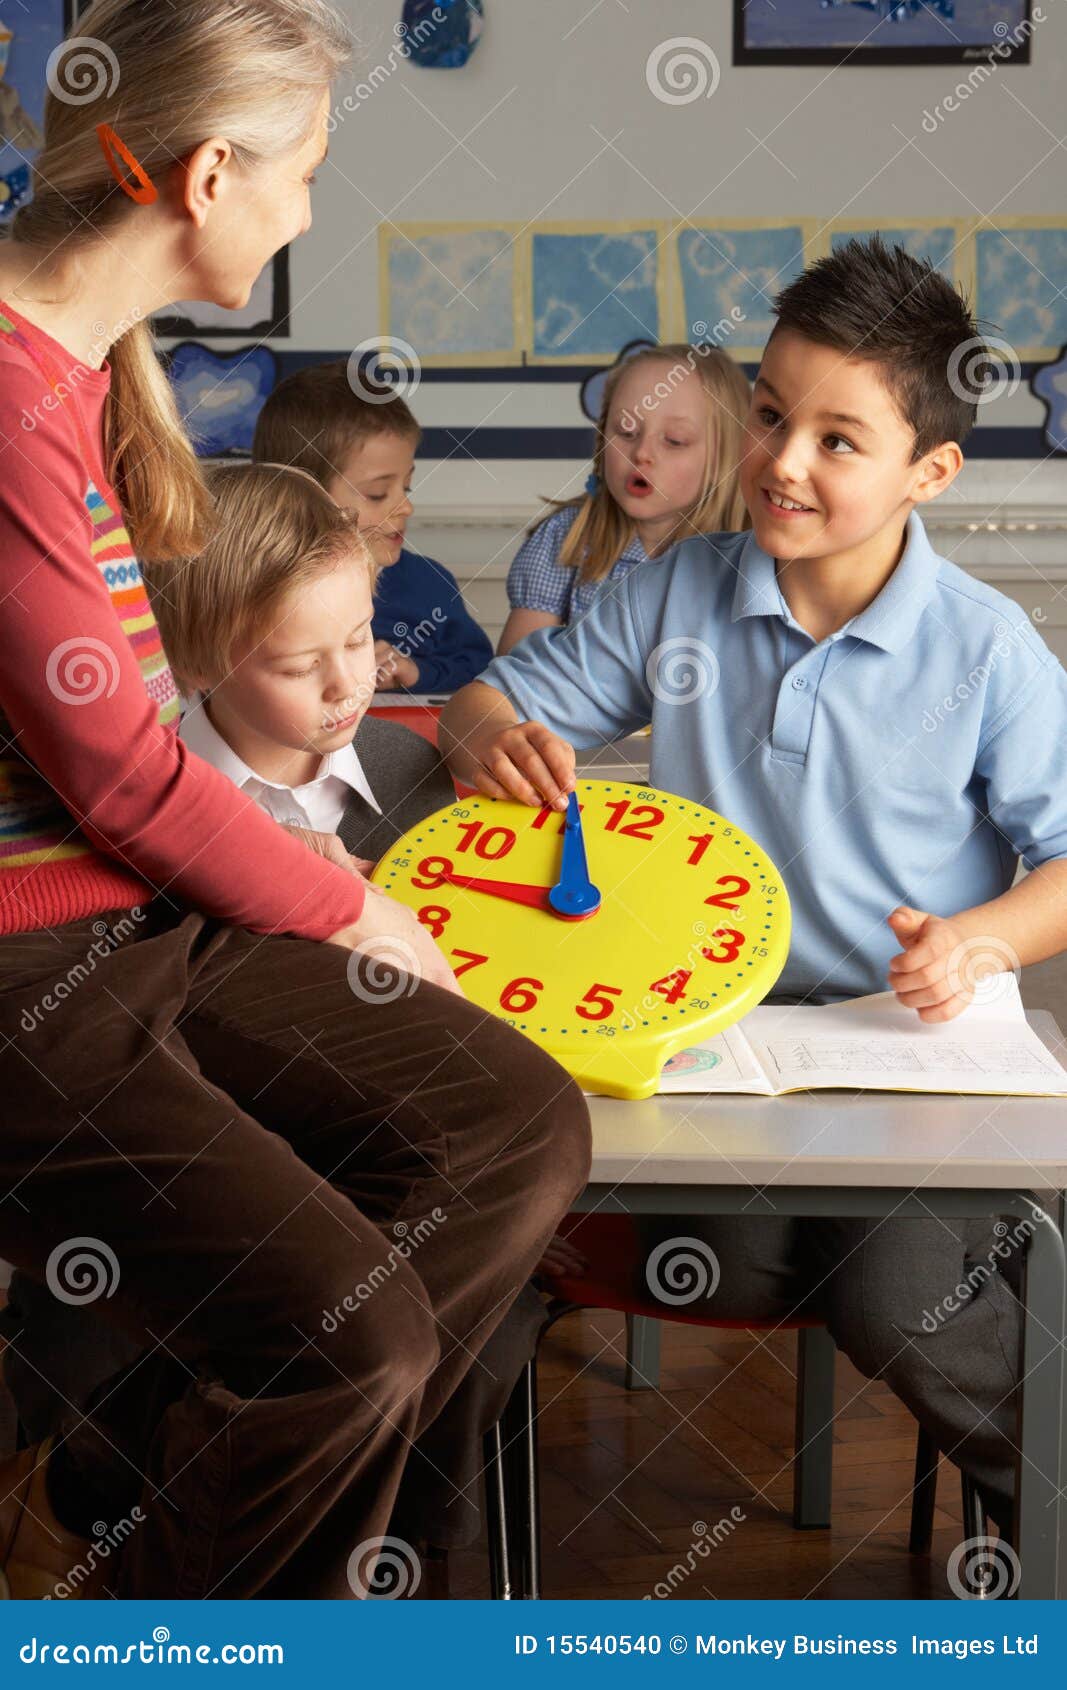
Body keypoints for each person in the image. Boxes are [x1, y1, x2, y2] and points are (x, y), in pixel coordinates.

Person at [0, 0, 589, 1600]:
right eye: (305, 171)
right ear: (208, 177)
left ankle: (144, 1493)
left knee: (517, 1121)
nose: (309, 211)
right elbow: (120, 770)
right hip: (27, 967)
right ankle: (204, 1599)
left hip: (135, 925)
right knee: (357, 1340)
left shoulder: (72, 371)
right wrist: (344, 901)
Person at [440, 237, 1067, 1532]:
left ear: (928, 471)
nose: (782, 461)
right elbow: (488, 699)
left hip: (904, 1060)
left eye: (838, 440)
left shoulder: (985, 648)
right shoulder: (675, 591)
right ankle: (398, 1567)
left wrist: (975, 942)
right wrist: (483, 739)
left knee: (896, 1290)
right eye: (772, 416)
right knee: (633, 1251)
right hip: (703, 1047)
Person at [251, 361, 494, 692]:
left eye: (406, 488)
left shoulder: (430, 585)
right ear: (296, 498)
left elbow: (480, 671)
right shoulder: (250, 585)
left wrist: (417, 672)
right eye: (377, 494)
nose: (405, 507)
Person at [497, 342, 750, 654]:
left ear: (726, 457)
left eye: (674, 440)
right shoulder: (565, 539)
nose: (642, 453)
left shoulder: (752, 561)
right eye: (627, 432)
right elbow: (515, 673)